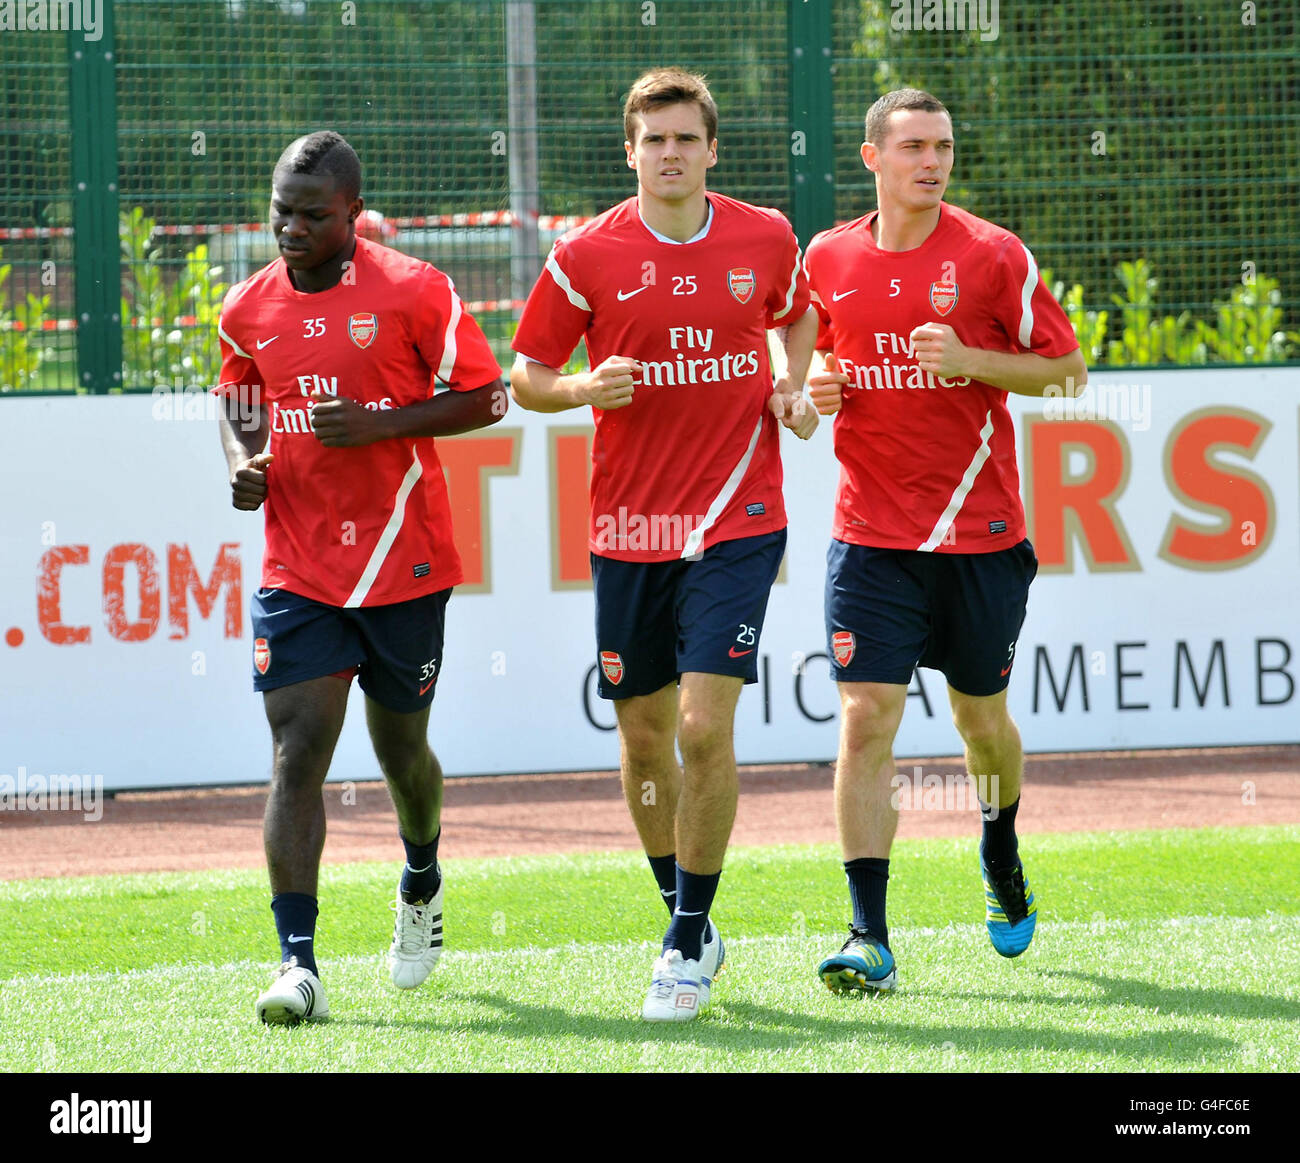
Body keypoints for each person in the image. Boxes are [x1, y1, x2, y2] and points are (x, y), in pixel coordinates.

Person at [510, 68, 819, 1022]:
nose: (671, 153)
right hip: (629, 530)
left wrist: (791, 387)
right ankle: (684, 903)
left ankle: (684, 941)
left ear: (712, 149)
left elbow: (801, 314)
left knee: (700, 728)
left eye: (687, 138)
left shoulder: (764, 236)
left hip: (738, 519)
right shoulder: (586, 255)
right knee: (643, 734)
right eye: (655, 140)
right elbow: (525, 376)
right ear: (631, 151)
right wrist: (579, 390)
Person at [214, 131, 506, 1023]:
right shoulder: (246, 308)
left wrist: (384, 423)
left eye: (312, 215)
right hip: (298, 566)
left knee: (400, 752)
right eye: (280, 214)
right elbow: (238, 401)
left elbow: (488, 396)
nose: (291, 229)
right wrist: (243, 460)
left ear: (354, 215)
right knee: (298, 749)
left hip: (403, 560)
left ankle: (421, 871)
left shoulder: (418, 289)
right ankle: (297, 963)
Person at [803, 89, 1087, 993]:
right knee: (864, 720)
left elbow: (1069, 373)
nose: (933, 161)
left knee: (979, 721)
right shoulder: (829, 255)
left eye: (945, 147)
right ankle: (868, 935)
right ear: (872, 158)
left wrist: (973, 361)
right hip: (870, 535)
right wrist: (817, 379)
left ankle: (999, 848)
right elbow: (818, 350)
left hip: (980, 536)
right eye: (915, 147)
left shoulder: (993, 255)